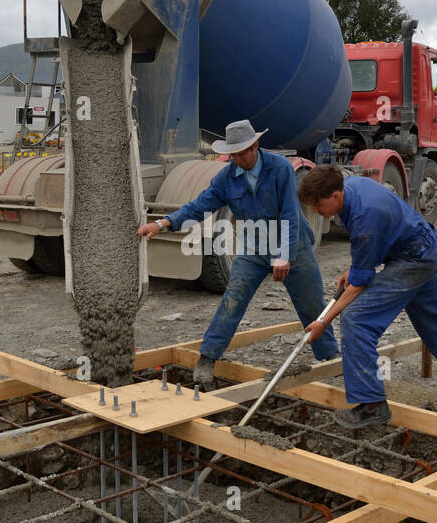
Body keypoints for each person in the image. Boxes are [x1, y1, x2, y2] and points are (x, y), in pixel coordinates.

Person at [138, 120, 339, 389]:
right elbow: (200, 206)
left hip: (293, 244)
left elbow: (292, 213)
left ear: (255, 146)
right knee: (233, 300)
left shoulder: (279, 169)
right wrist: (164, 223)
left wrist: (283, 255)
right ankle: (208, 358)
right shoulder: (226, 178)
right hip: (254, 248)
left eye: (241, 153)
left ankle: (330, 357)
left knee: (312, 304)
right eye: (232, 154)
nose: (237, 159)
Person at [297, 165, 437, 429]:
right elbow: (369, 253)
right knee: (435, 321)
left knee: (356, 319)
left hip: (413, 259)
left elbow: (357, 286)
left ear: (335, 195)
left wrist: (324, 322)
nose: (316, 212)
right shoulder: (353, 187)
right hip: (425, 247)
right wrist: (354, 270)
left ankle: (371, 405)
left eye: (318, 205)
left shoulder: (365, 217)